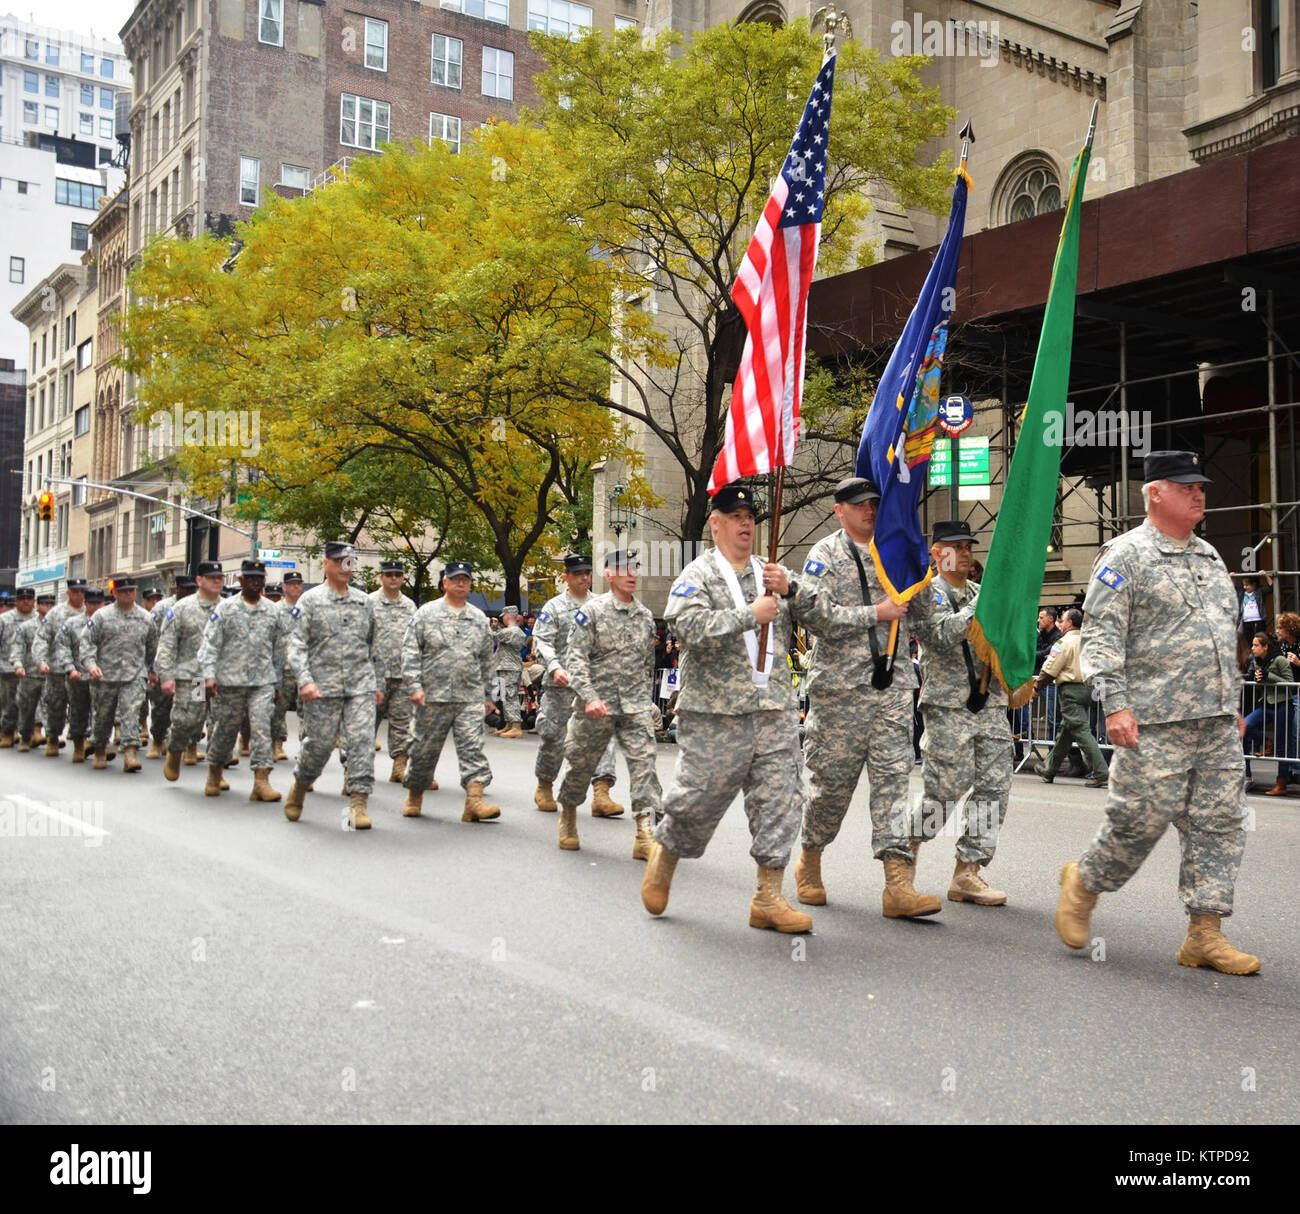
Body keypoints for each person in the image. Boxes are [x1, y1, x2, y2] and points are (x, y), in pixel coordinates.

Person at [1056, 450, 1259, 975]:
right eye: (1187, 486)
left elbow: (1223, 636)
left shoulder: (1210, 557)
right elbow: (1101, 634)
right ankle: (1084, 882)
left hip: (1213, 722)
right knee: (1138, 822)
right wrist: (1116, 704)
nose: (1199, 494)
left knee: (1220, 823)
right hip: (1153, 720)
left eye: (1202, 487)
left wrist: (1231, 705)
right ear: (1154, 493)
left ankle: (1204, 932)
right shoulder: (1123, 555)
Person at [641, 481, 832, 933]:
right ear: (716, 524)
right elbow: (684, 627)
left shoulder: (772, 574)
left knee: (781, 802)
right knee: (695, 801)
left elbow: (824, 617)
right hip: (715, 716)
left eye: (750, 518)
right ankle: (665, 853)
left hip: (774, 713)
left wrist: (794, 589)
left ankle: (768, 897)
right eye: (736, 517)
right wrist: (749, 614)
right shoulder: (699, 574)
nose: (746, 523)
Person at [792, 476, 938, 918]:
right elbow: (813, 614)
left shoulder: (896, 551)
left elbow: (927, 621)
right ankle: (810, 859)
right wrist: (875, 612)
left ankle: (897, 884)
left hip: (892, 691)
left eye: (874, 503)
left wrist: (921, 577)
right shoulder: (825, 555)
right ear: (839, 510)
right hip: (840, 693)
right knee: (829, 791)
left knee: (893, 785)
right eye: (858, 505)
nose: (869, 510)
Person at [909, 521, 1012, 907]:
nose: (965, 553)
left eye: (968, 546)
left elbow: (1004, 638)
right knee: (945, 792)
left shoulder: (985, 594)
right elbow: (938, 634)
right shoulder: (924, 594)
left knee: (994, 790)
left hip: (990, 706)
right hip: (948, 706)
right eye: (955, 546)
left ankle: (968, 871)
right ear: (936, 552)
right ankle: (908, 848)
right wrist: (978, 609)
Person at [556, 549, 660, 857]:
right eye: (624, 568)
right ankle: (569, 815)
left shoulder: (645, 618)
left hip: (634, 708)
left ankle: (646, 832)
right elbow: (575, 661)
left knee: (646, 771)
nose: (631, 574)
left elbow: (647, 666)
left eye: (635, 568)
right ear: (609, 574)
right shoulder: (591, 612)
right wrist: (589, 697)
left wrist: (646, 702)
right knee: (580, 767)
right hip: (596, 707)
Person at [283, 541, 385, 830]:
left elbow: (373, 647)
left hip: (359, 686)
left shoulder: (364, 602)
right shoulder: (310, 601)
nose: (345, 567)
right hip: (322, 687)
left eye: (350, 561)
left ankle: (358, 804)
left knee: (362, 743)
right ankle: (300, 786)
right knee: (319, 745)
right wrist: (305, 680)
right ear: (326, 563)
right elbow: (296, 646)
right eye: (339, 561)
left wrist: (377, 684)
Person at [399, 559, 500, 823]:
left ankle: (474, 801)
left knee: (473, 748)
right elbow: (410, 652)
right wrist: (414, 686)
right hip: (432, 696)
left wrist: (489, 696)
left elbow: (487, 661)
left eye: (465, 579)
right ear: (444, 582)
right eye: (455, 579)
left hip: (469, 697)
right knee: (423, 751)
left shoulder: (478, 618)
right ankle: (415, 795)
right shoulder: (426, 614)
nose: (460, 583)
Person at [531, 553, 621, 817]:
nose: (584, 578)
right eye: (577, 574)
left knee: (603, 737)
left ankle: (601, 793)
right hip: (561, 685)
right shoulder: (554, 607)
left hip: (593, 686)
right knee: (554, 738)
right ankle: (545, 785)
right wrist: (555, 666)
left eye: (587, 573)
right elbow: (542, 642)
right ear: (566, 577)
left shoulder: (601, 605)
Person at [196, 559, 285, 801]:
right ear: (240, 580)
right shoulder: (225, 609)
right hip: (229, 682)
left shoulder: (273, 611)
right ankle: (214, 773)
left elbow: (279, 651)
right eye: (251, 578)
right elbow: (210, 645)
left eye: (260, 578)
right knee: (224, 731)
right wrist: (209, 676)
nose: (256, 582)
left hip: (262, 682)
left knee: (261, 729)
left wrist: (277, 683)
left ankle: (261, 780)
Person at [157, 562, 224, 784]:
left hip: (225, 678)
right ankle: (175, 751)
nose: (217, 581)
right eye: (211, 577)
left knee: (223, 725)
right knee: (190, 720)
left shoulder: (229, 608)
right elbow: (167, 645)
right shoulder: (182, 608)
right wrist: (166, 676)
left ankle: (216, 772)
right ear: (199, 580)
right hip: (195, 677)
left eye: (219, 577)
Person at [83, 577, 158, 772]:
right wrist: (91, 665)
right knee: (102, 716)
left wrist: (150, 670)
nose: (128, 594)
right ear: (114, 593)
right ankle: (99, 749)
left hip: (134, 675)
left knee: (131, 713)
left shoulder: (146, 618)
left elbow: (152, 647)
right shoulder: (101, 616)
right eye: (123, 591)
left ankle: (130, 753)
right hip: (105, 676)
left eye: (131, 590)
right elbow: (87, 643)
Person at [1033, 607, 1109, 787]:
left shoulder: (1063, 643)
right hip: (1090, 689)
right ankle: (1049, 769)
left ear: (1069, 623)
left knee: (1081, 731)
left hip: (1070, 691)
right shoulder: (1089, 641)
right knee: (1066, 731)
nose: (1060, 622)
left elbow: (1050, 668)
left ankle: (1101, 772)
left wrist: (1037, 687)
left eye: (1062, 620)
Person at [369, 559, 416, 783]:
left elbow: (415, 640)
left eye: (398, 574)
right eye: (389, 575)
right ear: (381, 577)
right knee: (367, 723)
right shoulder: (369, 603)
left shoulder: (409, 606)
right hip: (373, 675)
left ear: (403, 578)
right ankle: (358, 768)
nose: (394, 578)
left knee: (401, 722)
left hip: (401, 674)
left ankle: (399, 765)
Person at [1241, 631, 1291, 792]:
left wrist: (1269, 676)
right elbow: (1257, 680)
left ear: (1265, 647)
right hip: (1267, 704)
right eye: (1253, 645)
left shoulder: (1280, 660)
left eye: (1256, 645)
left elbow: (1290, 683)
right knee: (1247, 724)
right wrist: (1258, 679)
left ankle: (1281, 783)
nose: (1253, 648)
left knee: (1283, 744)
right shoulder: (1256, 662)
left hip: (1283, 704)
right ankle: (1268, 742)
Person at [270, 570, 306, 761]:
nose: (296, 587)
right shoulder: (275, 610)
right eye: (292, 584)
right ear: (284, 587)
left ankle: (305, 747)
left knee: (306, 710)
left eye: (299, 584)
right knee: (278, 709)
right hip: (282, 668)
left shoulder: (306, 608)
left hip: (302, 669)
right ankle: (277, 744)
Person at [8, 588, 45, 750]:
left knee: (44, 704)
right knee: (16, 705)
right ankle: (10, 731)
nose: (25, 601)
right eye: (22, 598)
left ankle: (40, 734)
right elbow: (16, 647)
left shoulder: (44, 622)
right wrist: (17, 664)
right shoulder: (6, 620)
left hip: (42, 672)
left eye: (29, 599)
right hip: (11, 670)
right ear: (16, 601)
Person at [490, 606, 528, 738]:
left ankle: (516, 725)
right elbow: (500, 635)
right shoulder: (512, 631)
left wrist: (485, 626)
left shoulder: (513, 631)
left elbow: (492, 636)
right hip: (507, 667)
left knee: (510, 696)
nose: (502, 619)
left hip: (510, 668)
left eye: (503, 616)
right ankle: (509, 724)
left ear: (508, 616)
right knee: (506, 696)